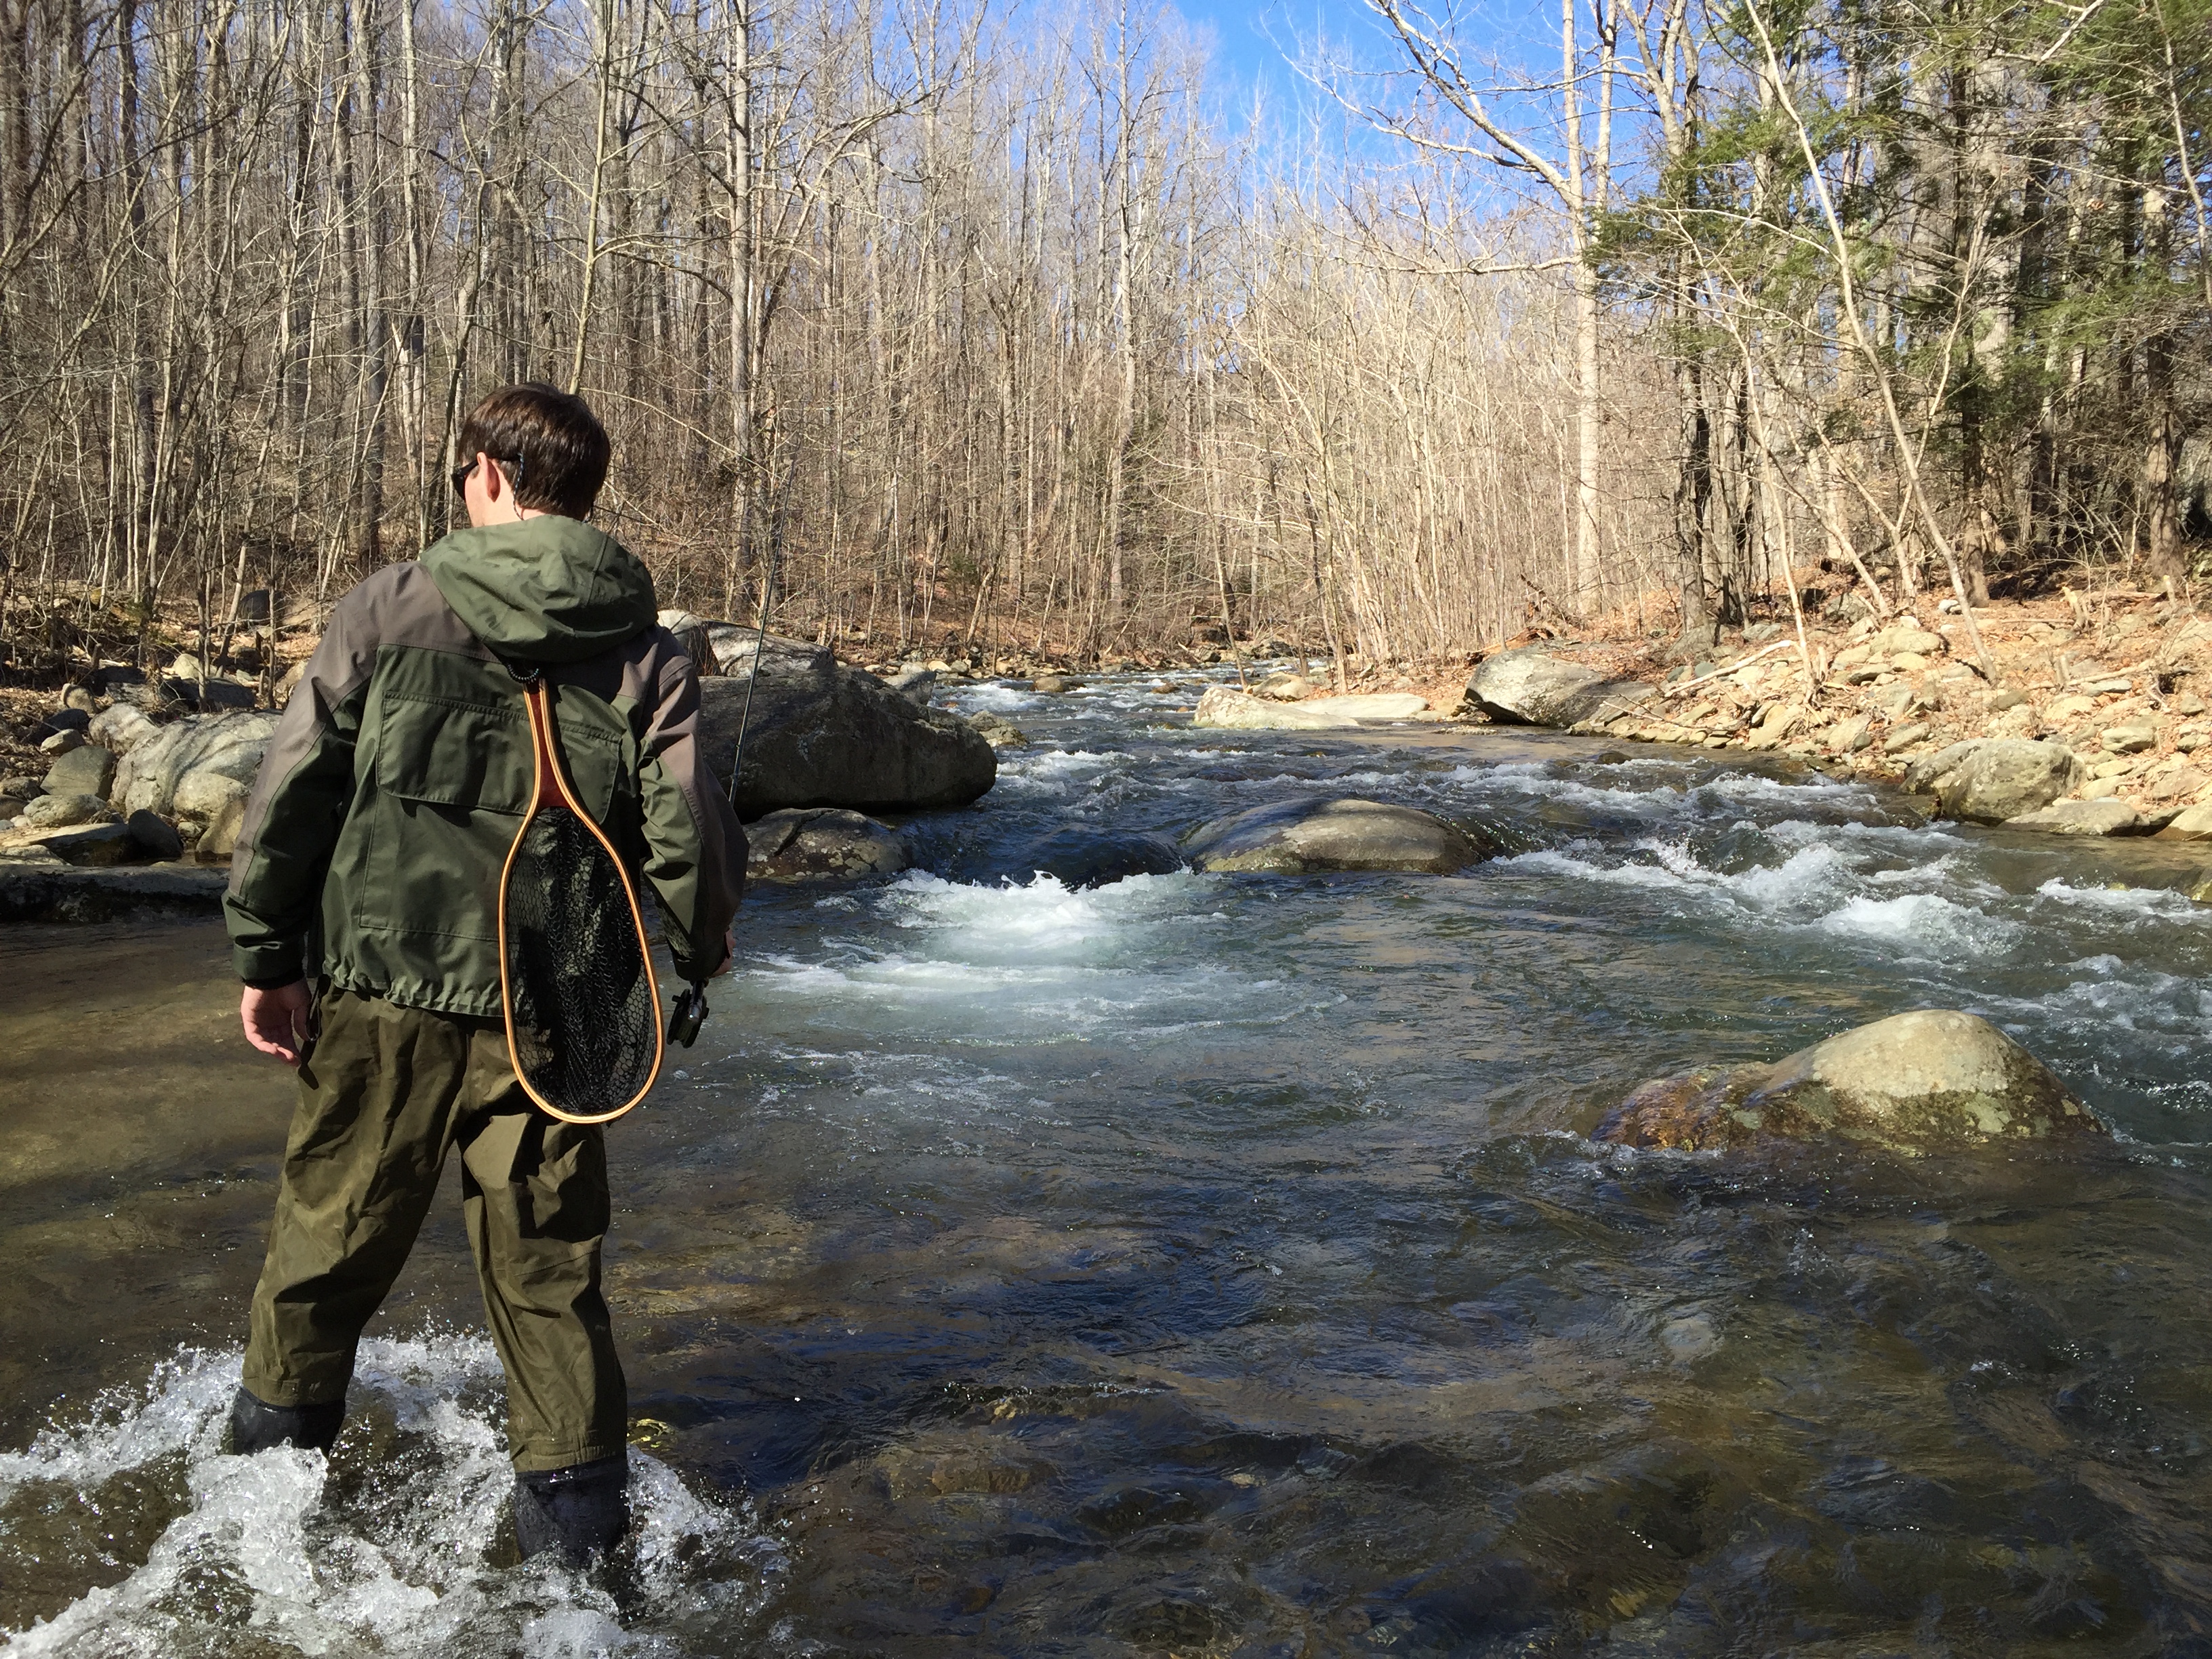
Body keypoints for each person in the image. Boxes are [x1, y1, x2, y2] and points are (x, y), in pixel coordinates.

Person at [222, 382, 745, 1565]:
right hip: (557, 1015)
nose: (461, 494)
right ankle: (579, 1571)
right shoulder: (645, 649)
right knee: (552, 1278)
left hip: (381, 996)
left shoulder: (391, 607)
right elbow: (690, 831)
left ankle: (251, 1528)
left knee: (324, 1249)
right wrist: (700, 950)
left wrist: (266, 956)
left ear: (495, 476)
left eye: (465, 475)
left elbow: (293, 788)